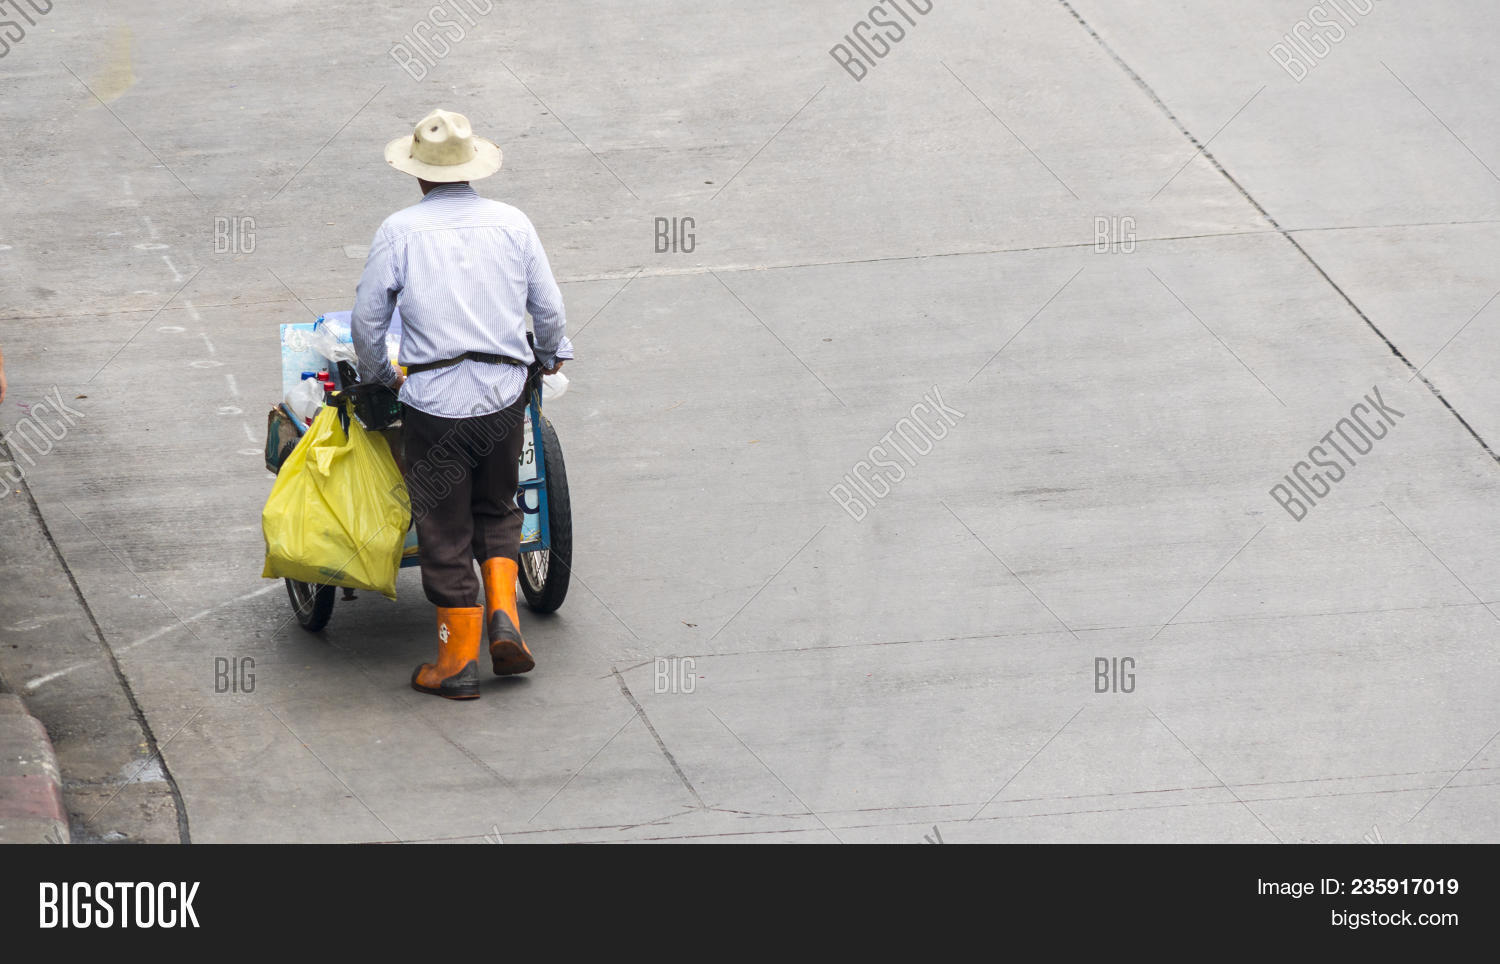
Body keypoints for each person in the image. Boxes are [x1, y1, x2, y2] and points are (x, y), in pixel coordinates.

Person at [351, 109, 572, 701]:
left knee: (444, 527)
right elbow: (549, 311)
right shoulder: (513, 223)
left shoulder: (399, 231)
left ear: (418, 174)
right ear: (473, 167)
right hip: (503, 398)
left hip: (434, 404)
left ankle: (455, 664)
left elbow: (368, 323)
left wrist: (381, 379)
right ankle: (504, 617)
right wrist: (548, 355)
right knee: (497, 508)